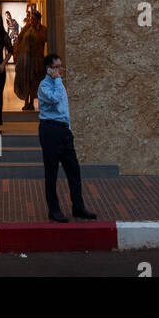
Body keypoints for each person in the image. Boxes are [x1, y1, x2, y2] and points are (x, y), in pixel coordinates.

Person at [37, 53, 96, 222]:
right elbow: (55, 100)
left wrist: (68, 128)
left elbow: (64, 108)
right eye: (55, 67)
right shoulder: (45, 86)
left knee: (74, 170)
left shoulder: (59, 83)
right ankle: (54, 210)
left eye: (60, 66)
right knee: (52, 172)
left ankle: (78, 206)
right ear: (48, 69)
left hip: (64, 130)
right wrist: (56, 79)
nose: (59, 70)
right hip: (50, 130)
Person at [14, 8, 47, 111]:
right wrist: (17, 55)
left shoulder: (43, 29)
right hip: (26, 60)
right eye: (31, 19)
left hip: (37, 60)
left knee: (34, 81)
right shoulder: (26, 28)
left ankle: (32, 102)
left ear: (38, 20)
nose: (32, 21)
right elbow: (19, 40)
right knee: (26, 80)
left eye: (34, 19)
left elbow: (43, 40)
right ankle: (26, 102)